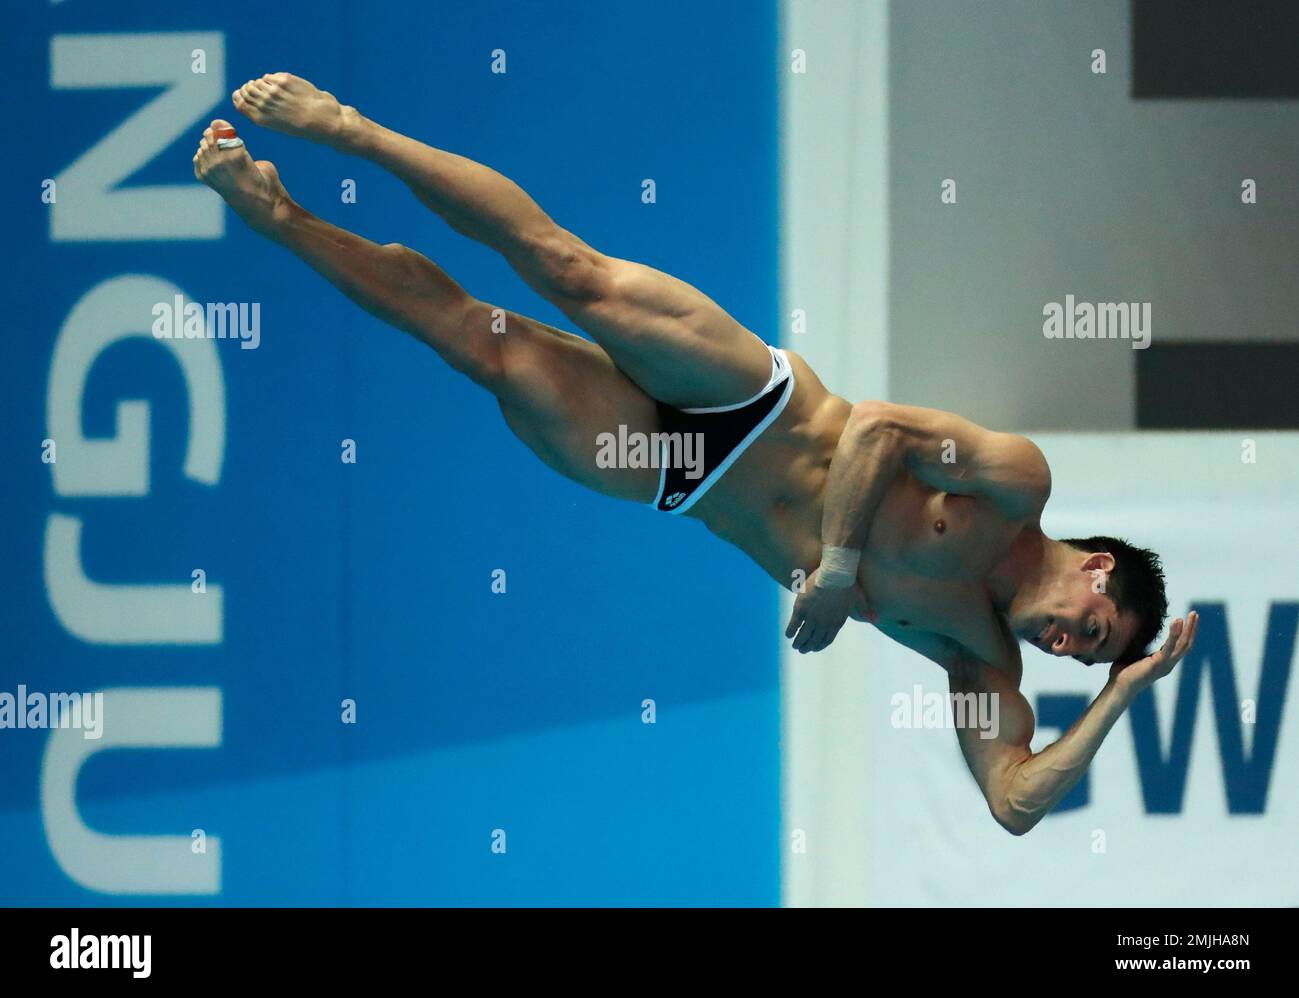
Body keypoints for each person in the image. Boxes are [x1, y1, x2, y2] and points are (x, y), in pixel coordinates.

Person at [193, 73, 1199, 834]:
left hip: (681, 470)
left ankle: (280, 216)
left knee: (483, 346)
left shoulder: (976, 652)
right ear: (1096, 567)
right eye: (1092, 628)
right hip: (751, 400)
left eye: (1083, 657)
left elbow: (1013, 802)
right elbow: (879, 427)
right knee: (566, 267)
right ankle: (348, 129)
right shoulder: (1017, 482)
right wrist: (840, 565)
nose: (1068, 646)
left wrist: (1120, 695)